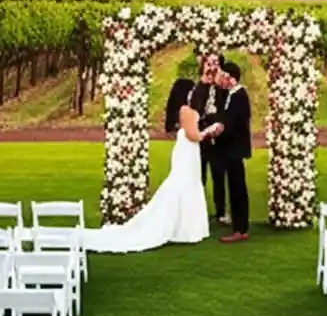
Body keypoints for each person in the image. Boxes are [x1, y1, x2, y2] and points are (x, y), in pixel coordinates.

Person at [84, 78, 211, 253]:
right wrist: (210, 131)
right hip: (188, 152)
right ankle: (184, 229)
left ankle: (184, 227)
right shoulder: (187, 110)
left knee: (184, 184)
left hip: (186, 152)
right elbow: (194, 136)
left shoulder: (182, 111)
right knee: (185, 184)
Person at [205, 61, 252, 243]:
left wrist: (220, 129)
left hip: (235, 149)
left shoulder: (240, 95)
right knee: (234, 186)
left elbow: (236, 122)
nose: (221, 79)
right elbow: (225, 117)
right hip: (229, 149)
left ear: (231, 78)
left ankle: (241, 229)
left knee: (238, 188)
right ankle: (238, 226)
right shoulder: (229, 95)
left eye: (224, 76)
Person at [190, 53, 229, 225]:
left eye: (216, 63)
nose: (212, 67)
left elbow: (225, 111)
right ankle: (196, 212)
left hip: (218, 141)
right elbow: (195, 111)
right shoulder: (198, 88)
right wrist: (203, 83)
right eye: (209, 63)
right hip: (200, 139)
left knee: (219, 176)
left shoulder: (222, 89)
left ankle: (221, 212)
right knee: (199, 176)